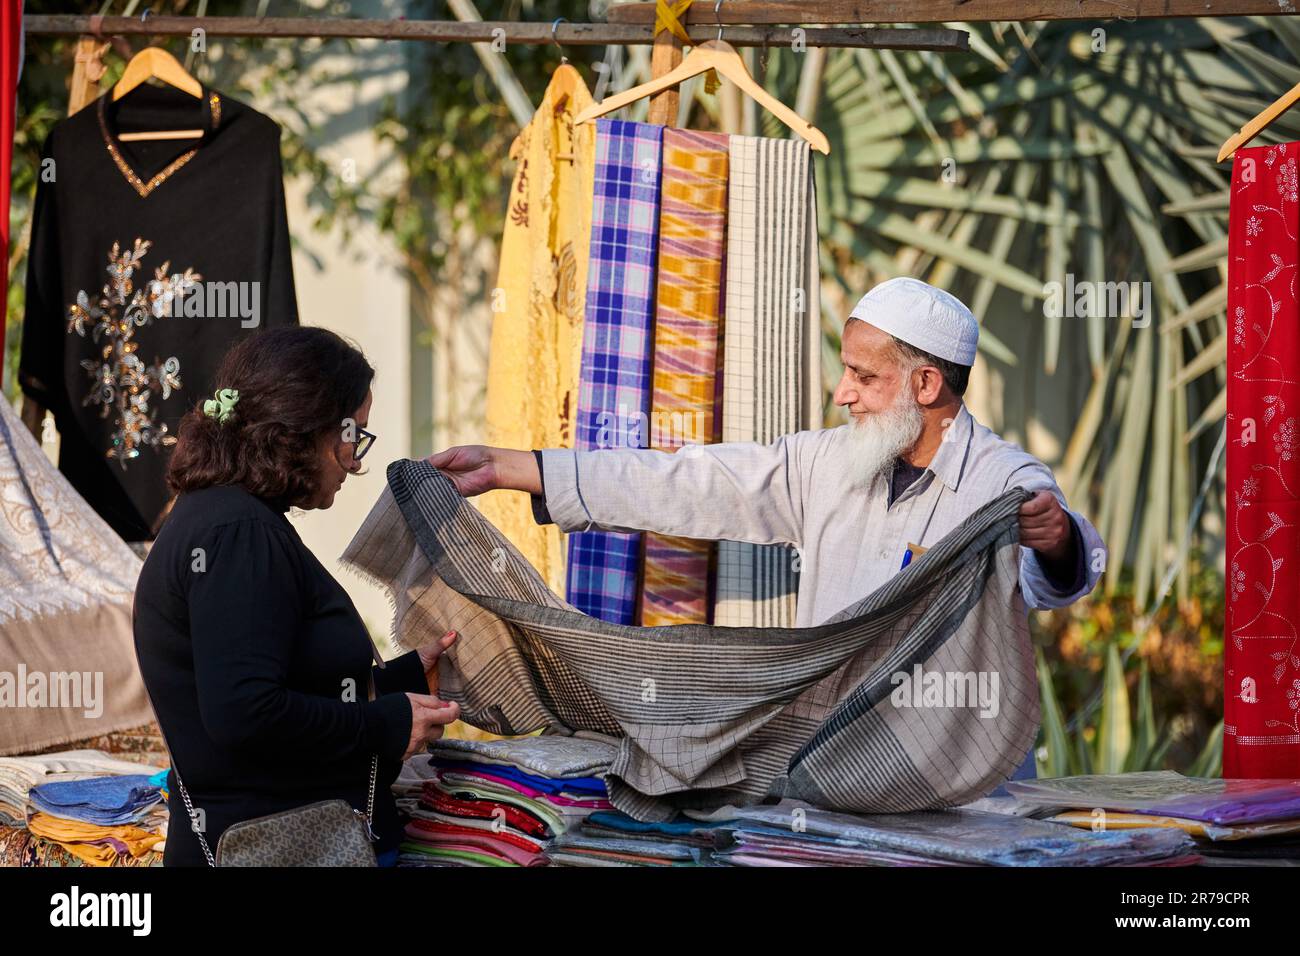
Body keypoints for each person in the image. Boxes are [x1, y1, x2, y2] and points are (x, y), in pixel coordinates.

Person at [429, 277, 1106, 790]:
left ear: (926, 384)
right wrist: (518, 469)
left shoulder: (1001, 478)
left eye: (864, 377)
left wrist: (1056, 538)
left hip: (958, 786)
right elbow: (691, 482)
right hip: (835, 769)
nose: (843, 393)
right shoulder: (830, 463)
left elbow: (1059, 574)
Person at [133, 326, 461, 867]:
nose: (355, 461)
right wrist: (386, 725)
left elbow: (271, 681)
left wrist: (396, 683)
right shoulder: (238, 534)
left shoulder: (227, 519)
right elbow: (246, 714)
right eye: (354, 435)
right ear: (306, 426)